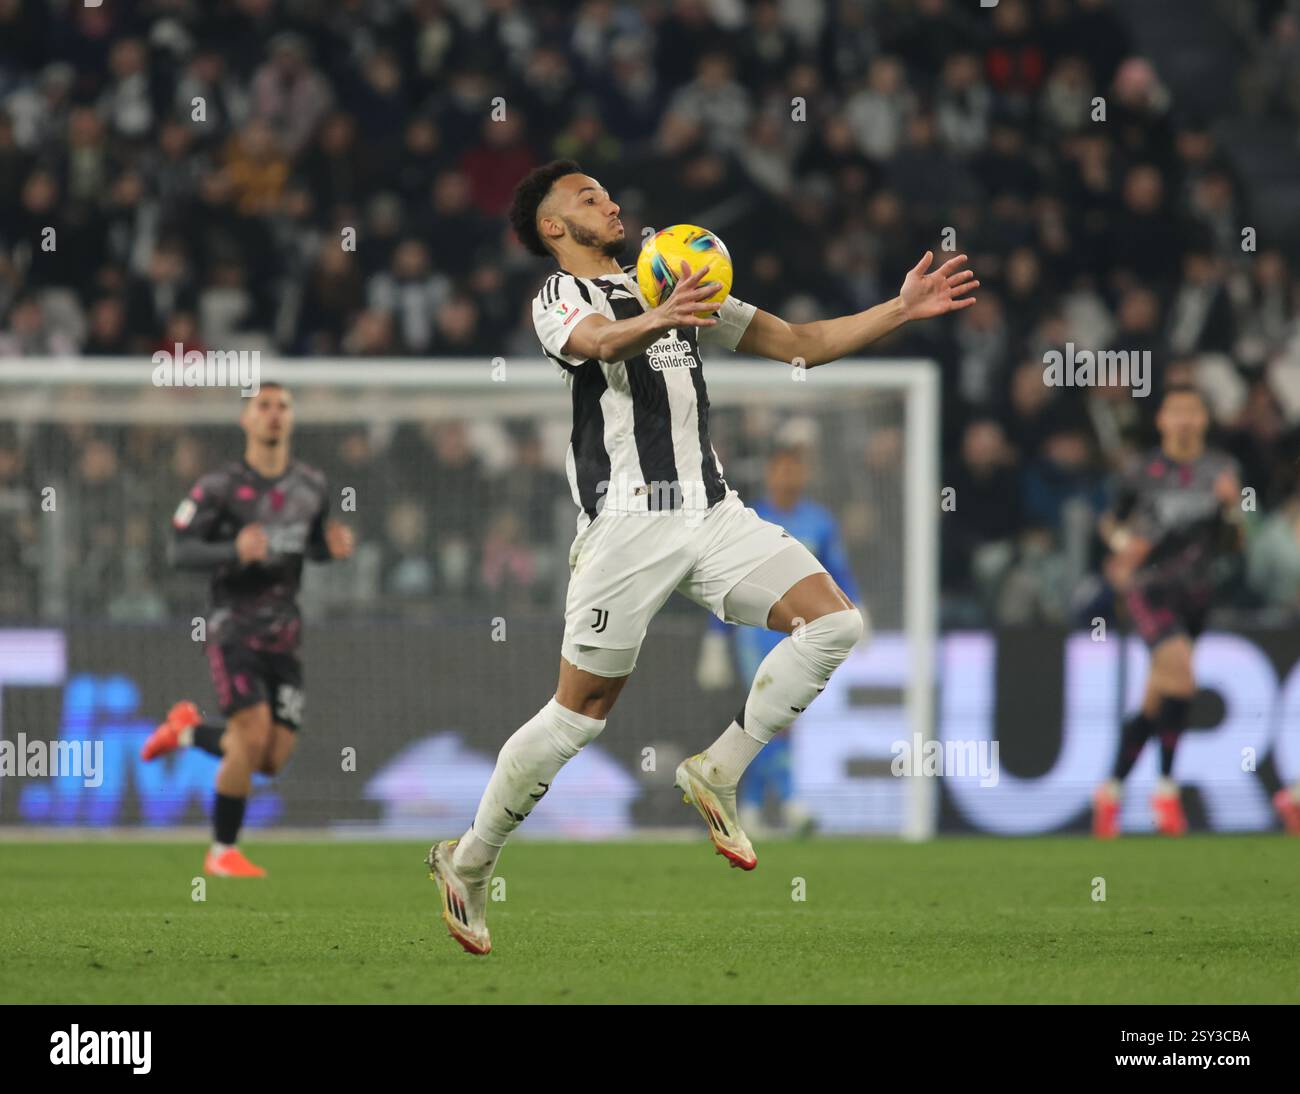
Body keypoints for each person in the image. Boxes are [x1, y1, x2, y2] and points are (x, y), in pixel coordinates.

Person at [426, 159, 978, 955]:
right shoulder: (563, 295)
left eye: (609, 191)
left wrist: (900, 307)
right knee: (577, 716)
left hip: (715, 514)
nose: (609, 201)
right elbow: (597, 342)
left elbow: (798, 344)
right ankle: (470, 860)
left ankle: (718, 769)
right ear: (553, 228)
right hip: (626, 529)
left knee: (834, 626)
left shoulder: (670, 278)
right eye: (587, 198)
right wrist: (666, 313)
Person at [141, 383, 354, 876]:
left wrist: (331, 548)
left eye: (283, 406)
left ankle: (188, 732)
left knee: (271, 758)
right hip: (232, 626)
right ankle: (221, 852)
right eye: (264, 407)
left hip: (286, 633)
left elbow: (311, 545)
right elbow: (179, 551)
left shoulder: (312, 486)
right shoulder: (218, 488)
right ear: (246, 420)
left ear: (292, 418)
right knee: (251, 732)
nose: (274, 414)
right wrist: (232, 551)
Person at [1092, 384, 1241, 838]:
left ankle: (1112, 790)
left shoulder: (1222, 470)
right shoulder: (1142, 471)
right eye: (1175, 411)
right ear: (1161, 420)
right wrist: (1123, 549)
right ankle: (1166, 791)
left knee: (1159, 695)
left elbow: (1234, 544)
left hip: (1195, 593)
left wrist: (1234, 509)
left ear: (1203, 419)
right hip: (1148, 589)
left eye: (1191, 411)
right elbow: (1110, 523)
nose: (1183, 420)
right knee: (1182, 675)